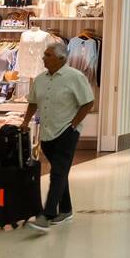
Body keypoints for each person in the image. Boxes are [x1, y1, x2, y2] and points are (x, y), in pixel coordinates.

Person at [24, 40, 94, 233]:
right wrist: (25, 122)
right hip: (47, 132)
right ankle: (66, 209)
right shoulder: (40, 79)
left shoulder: (75, 77)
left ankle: (47, 214)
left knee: (58, 173)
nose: (43, 57)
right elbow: (32, 102)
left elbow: (88, 102)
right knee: (59, 171)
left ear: (61, 58)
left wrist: (74, 124)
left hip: (66, 131)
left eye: (48, 55)